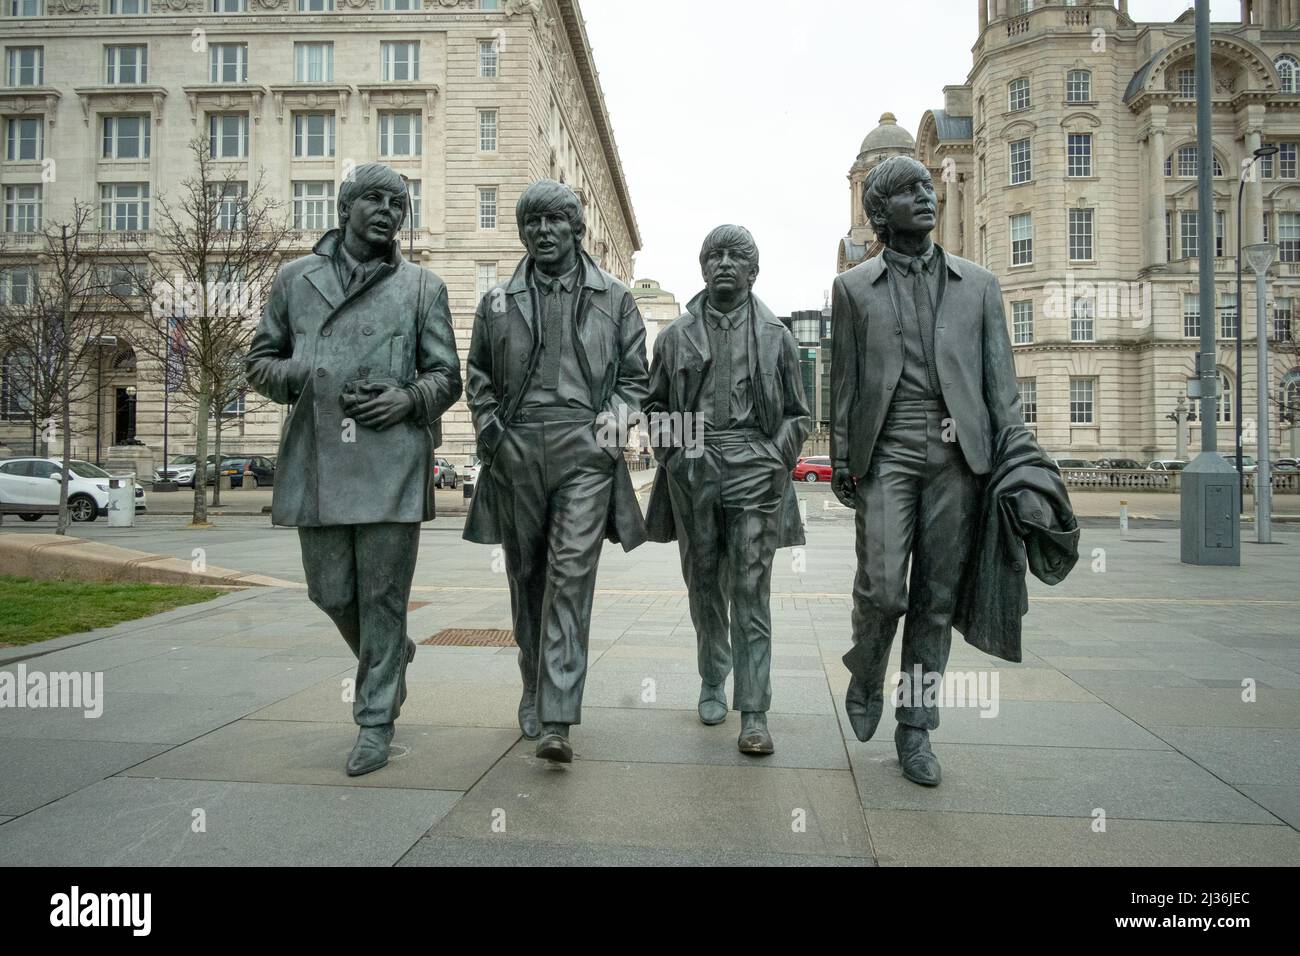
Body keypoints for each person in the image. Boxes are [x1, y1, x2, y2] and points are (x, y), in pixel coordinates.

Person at [245, 163, 462, 777]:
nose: (389, 210)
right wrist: (310, 371)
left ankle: (375, 720)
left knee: (384, 596)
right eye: (375, 199)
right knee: (329, 590)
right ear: (344, 207)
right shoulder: (295, 279)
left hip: (391, 458)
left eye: (399, 202)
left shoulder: (422, 287)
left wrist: (409, 399)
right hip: (318, 456)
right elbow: (260, 362)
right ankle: (388, 654)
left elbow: (447, 375)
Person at [829, 155, 1023, 786]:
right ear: (880, 211)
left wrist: (1013, 458)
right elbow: (845, 382)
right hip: (888, 451)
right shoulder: (854, 288)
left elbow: (1002, 387)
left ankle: (917, 729)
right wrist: (839, 459)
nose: (928, 195)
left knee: (935, 601)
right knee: (884, 590)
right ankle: (867, 665)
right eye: (911, 190)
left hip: (958, 459)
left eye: (929, 186)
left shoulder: (980, 286)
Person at [463, 179, 649, 764]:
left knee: (570, 578)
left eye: (555, 221)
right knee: (529, 580)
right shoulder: (497, 301)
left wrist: (607, 434)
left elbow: (635, 380)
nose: (543, 232)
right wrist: (494, 433)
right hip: (518, 450)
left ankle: (557, 716)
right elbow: (479, 379)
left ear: (576, 228)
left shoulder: (615, 298)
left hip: (585, 453)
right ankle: (533, 684)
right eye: (533, 222)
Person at [644, 225, 810, 755]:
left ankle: (755, 709)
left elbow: (798, 413)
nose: (723, 263)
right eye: (713, 255)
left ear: (752, 271)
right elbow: (654, 408)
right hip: (695, 467)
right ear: (702, 267)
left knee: (751, 589)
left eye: (735, 256)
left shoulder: (777, 336)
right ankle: (713, 676)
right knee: (704, 584)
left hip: (755, 468)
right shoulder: (673, 337)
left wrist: (774, 456)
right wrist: (677, 454)